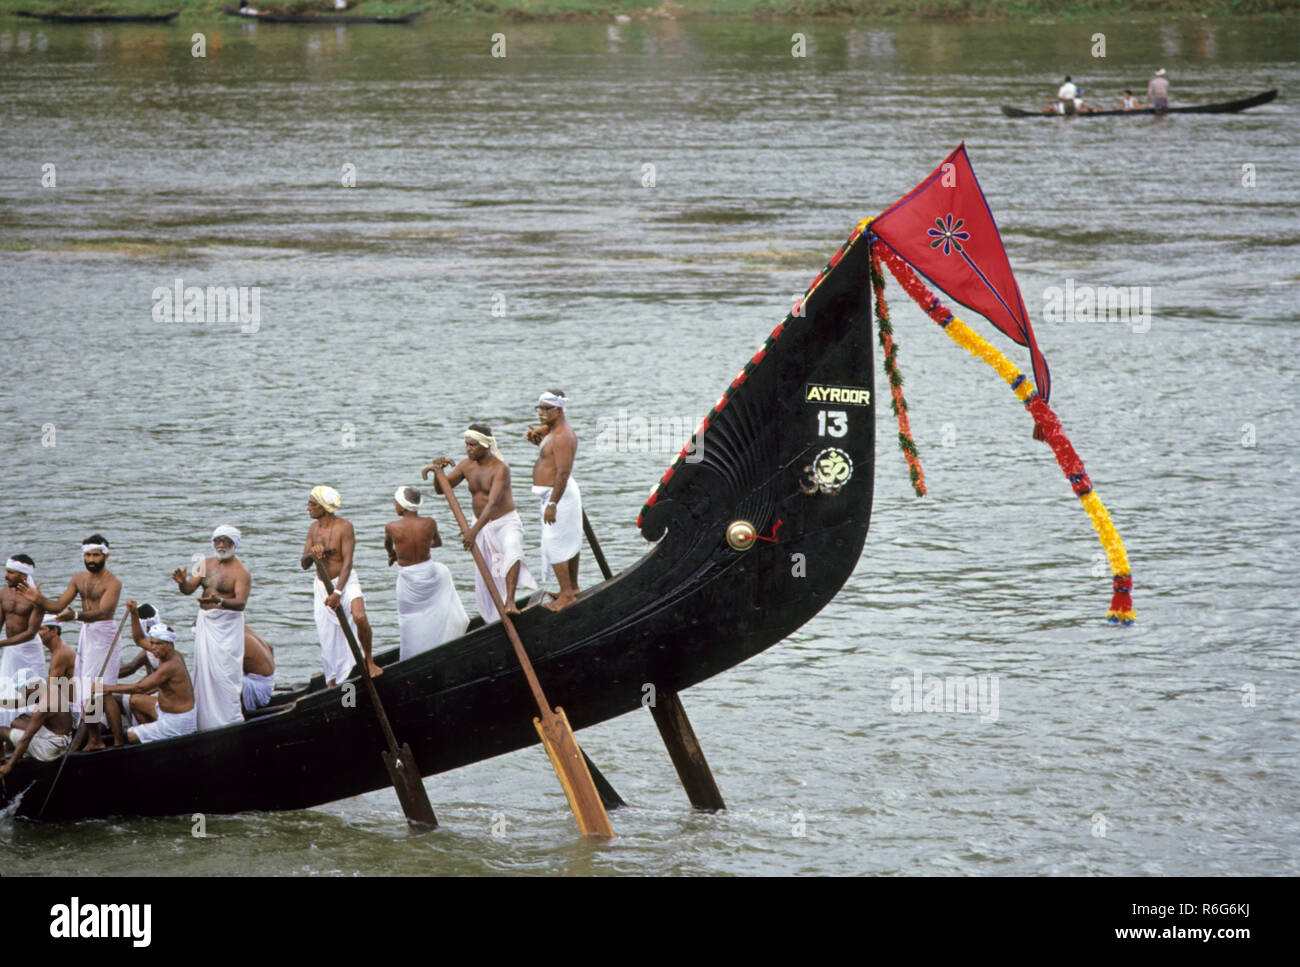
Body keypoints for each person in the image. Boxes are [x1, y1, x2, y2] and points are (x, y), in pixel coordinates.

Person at [18, 535, 124, 749]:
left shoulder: (113, 582)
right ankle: (94, 739)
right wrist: (38, 599)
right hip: (87, 632)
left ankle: (115, 741)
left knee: (101, 690)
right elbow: (57, 606)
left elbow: (103, 612)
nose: (91, 559)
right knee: (87, 687)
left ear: (106, 555)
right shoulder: (78, 579)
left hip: (105, 634)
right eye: (88, 555)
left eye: (96, 554)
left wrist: (75, 616)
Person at [423, 425, 536, 622]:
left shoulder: (501, 468)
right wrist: (438, 473)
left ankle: (510, 602)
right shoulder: (466, 466)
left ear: (485, 445)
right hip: (481, 525)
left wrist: (472, 531)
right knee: (488, 573)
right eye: (466, 445)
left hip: (505, 522)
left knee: (512, 549)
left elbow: (492, 504)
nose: (468, 449)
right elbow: (443, 489)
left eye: (473, 445)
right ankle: (493, 617)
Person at [301, 485, 381, 686]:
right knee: (328, 641)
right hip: (322, 587)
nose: (308, 507)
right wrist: (313, 553)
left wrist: (338, 592)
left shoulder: (345, 527)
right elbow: (303, 563)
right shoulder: (313, 529)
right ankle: (335, 684)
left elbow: (348, 561)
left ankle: (369, 662)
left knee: (360, 616)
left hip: (345, 582)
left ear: (324, 507)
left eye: (312, 503)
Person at [173, 525, 248, 731]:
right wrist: (182, 583)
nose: (221, 545)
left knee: (225, 674)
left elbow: (241, 603)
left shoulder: (240, 572)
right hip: (206, 621)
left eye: (226, 541)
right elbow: (189, 589)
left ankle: (229, 722)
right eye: (218, 540)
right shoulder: (204, 564)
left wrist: (220, 601)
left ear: (234, 544)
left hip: (226, 626)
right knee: (203, 671)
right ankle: (204, 723)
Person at [385, 486, 468, 660]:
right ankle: (439, 642)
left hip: (408, 579)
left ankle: (410, 658)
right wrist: (421, 545)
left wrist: (394, 554)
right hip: (429, 572)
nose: (394, 505)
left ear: (402, 505)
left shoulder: (392, 527)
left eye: (395, 502)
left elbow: (388, 546)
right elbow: (437, 543)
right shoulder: (430, 523)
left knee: (409, 621)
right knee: (443, 575)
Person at [526, 391, 584, 611]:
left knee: (555, 542)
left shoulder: (563, 436)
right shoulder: (554, 431)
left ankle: (567, 595)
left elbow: (562, 473)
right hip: (555, 494)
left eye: (545, 409)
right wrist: (541, 436)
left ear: (558, 410)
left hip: (559, 495)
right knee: (567, 539)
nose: (540, 413)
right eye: (538, 408)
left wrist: (552, 504)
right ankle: (573, 587)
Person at [93, 622, 196, 745]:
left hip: (177, 721)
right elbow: (140, 639)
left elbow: (140, 688)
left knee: (130, 736)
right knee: (135, 701)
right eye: (152, 643)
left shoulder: (170, 666)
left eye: (158, 644)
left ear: (169, 645)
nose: (153, 648)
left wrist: (106, 688)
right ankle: (150, 733)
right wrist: (133, 612)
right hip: (163, 711)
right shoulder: (167, 653)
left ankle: (141, 739)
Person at [0, 613, 76, 774]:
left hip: (52, 749)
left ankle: (4, 760)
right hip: (62, 736)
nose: (22, 693)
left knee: (2, 730)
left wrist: (10, 766)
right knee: (17, 720)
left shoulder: (44, 705)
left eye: (23, 690)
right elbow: (22, 703)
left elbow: (26, 738)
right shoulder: (48, 690)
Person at [1, 555, 47, 705]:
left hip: (29, 650)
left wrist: (2, 643)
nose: (6, 576)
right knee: (7, 690)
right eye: (6, 571)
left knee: (34, 693)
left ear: (23, 575)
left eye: (10, 572)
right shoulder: (4, 593)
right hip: (10, 649)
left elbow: (30, 633)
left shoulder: (36, 598)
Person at [241, 625, 276, 714]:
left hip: (258, 690)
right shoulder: (245, 627)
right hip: (269, 683)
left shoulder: (234, 636)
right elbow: (271, 649)